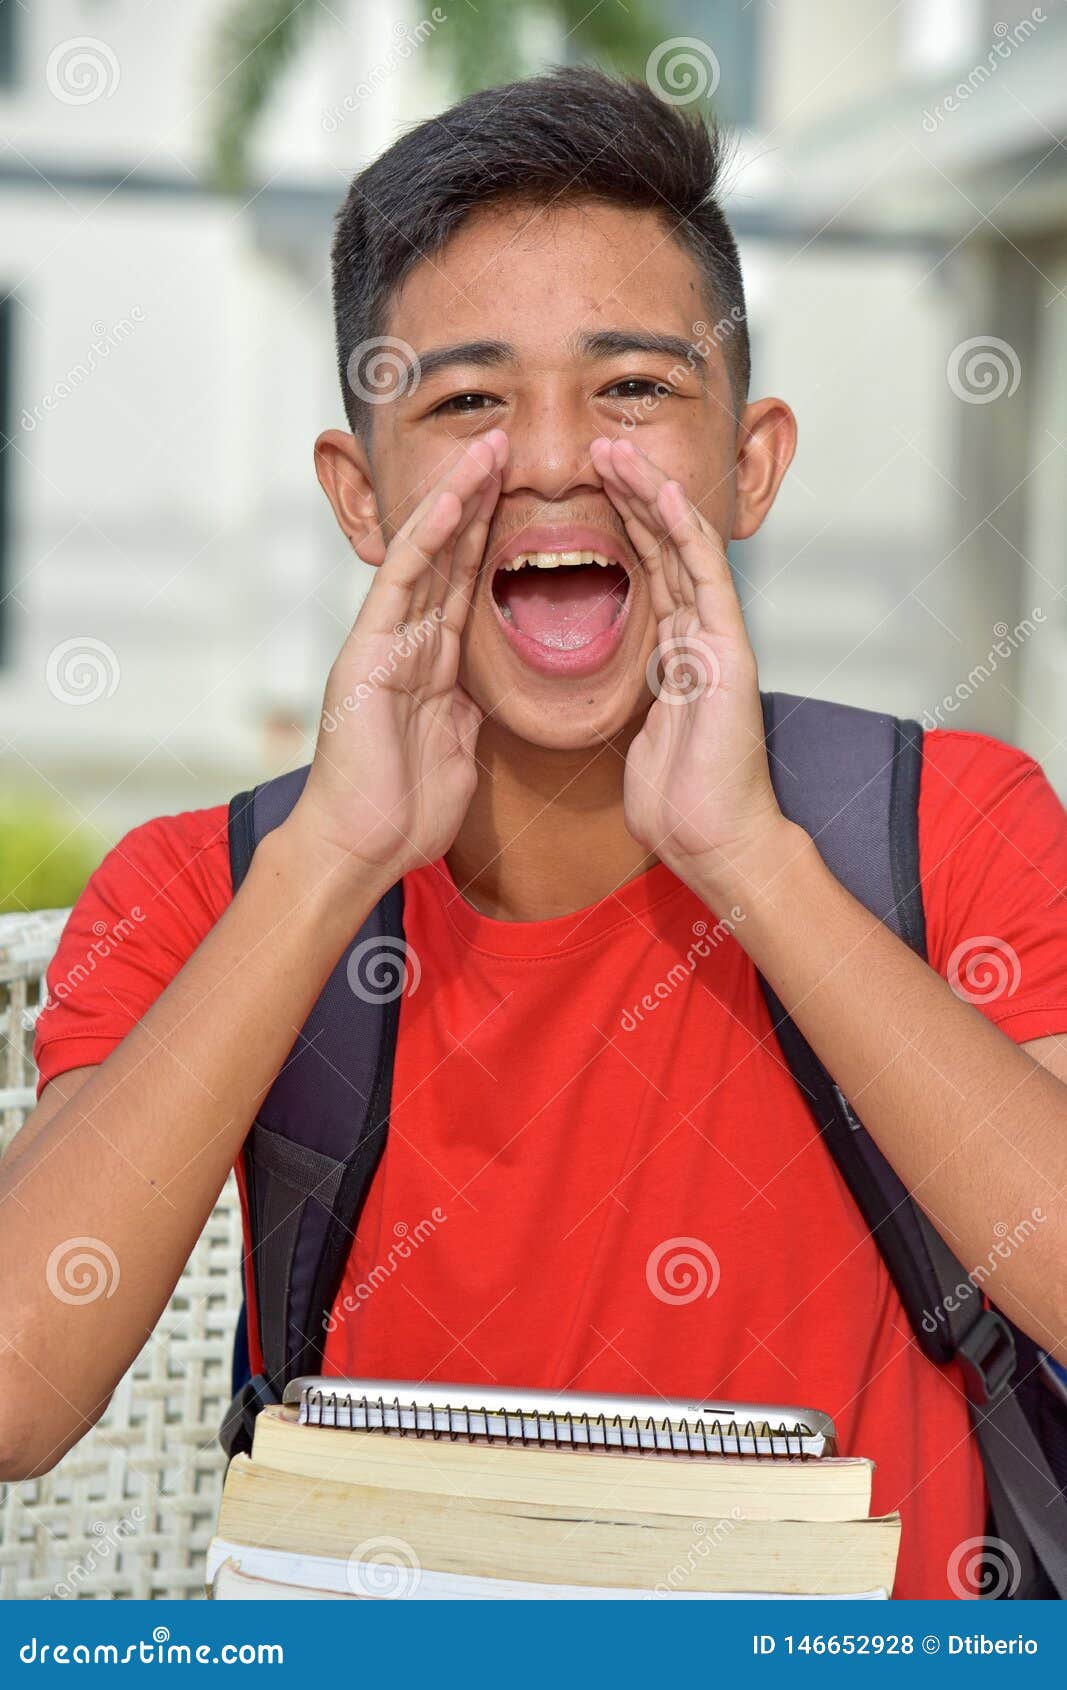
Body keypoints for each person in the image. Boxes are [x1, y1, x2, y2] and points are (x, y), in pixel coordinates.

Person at [2, 68, 1066, 1601]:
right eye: (467, 401)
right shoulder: (211, 887)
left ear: (750, 460)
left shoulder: (949, 827)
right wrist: (327, 862)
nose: (556, 460)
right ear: (361, 495)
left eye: (633, 387)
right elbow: (17, 1395)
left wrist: (754, 860)